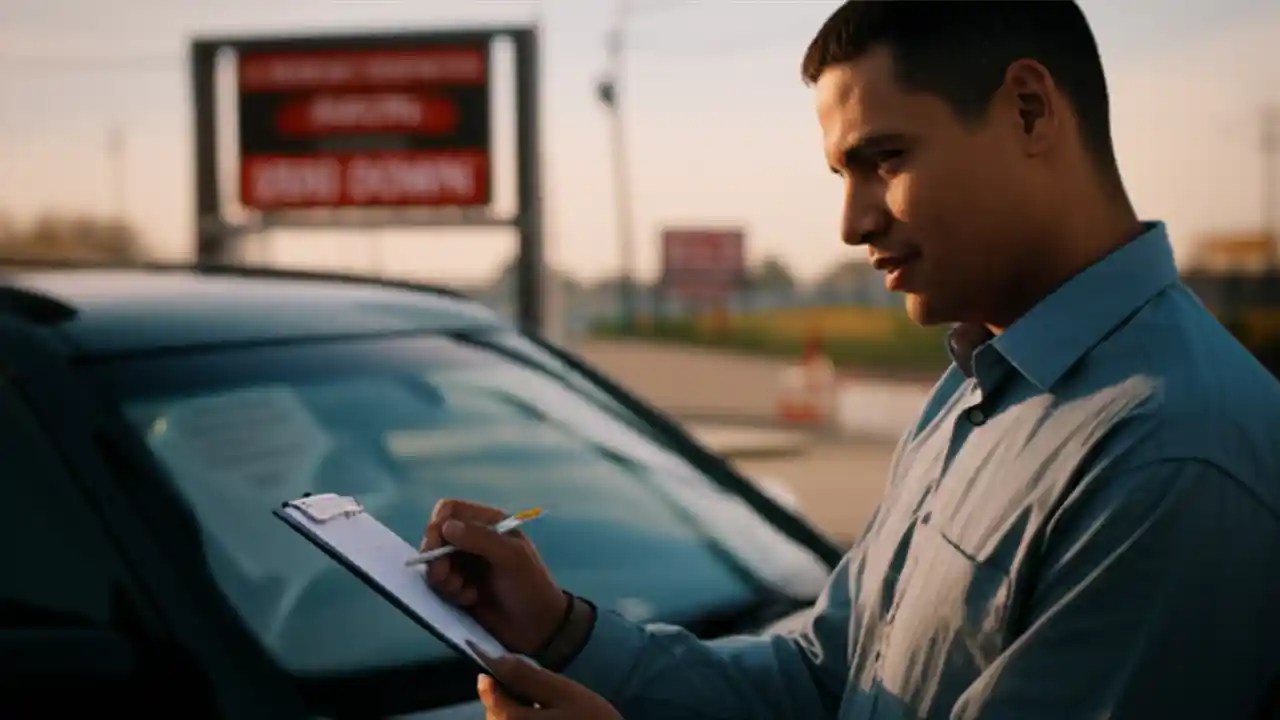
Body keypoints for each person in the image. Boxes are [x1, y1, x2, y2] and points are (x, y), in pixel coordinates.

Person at [421, 1, 1280, 717]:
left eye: (884, 160)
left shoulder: (1172, 454)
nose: (852, 221)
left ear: (1028, 109)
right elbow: (827, 680)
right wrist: (562, 631)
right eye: (842, 173)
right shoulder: (978, 387)